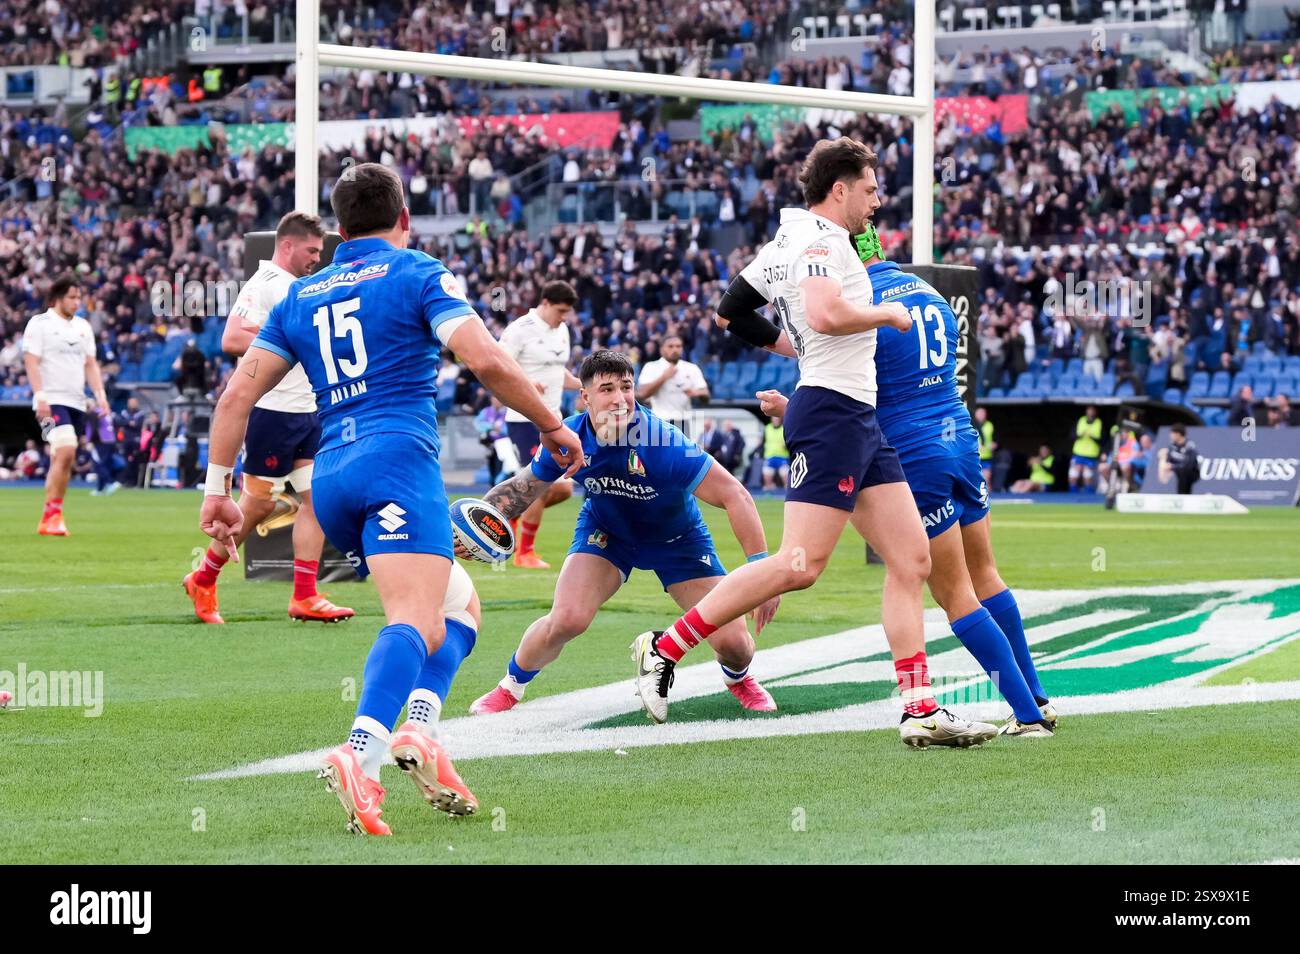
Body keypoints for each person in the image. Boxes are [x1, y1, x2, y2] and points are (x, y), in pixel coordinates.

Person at [197, 162, 584, 836]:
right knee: (419, 617)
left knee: (459, 608)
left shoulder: (301, 294)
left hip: (335, 476)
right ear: (402, 218)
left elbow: (235, 395)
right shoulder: (417, 272)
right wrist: (552, 427)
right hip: (397, 463)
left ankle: (420, 732)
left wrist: (217, 491)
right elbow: (486, 360)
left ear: (339, 229)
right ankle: (361, 755)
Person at [633, 137, 996, 746]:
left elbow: (730, 312)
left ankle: (919, 708)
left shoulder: (786, 240)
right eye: (871, 190)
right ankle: (665, 648)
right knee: (799, 566)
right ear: (841, 188)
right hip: (832, 412)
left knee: (911, 558)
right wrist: (886, 316)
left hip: (854, 411)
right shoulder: (824, 241)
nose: (876, 203)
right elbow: (826, 314)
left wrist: (794, 344)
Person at [749, 231, 1056, 737]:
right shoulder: (928, 293)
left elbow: (855, 392)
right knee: (987, 574)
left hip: (915, 451)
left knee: (956, 593)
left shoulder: (861, 305)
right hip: (959, 437)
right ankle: (1038, 696)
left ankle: (1028, 716)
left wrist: (795, 408)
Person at [467, 350, 779, 716]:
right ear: (585, 397)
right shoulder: (568, 436)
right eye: (607, 389)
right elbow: (523, 489)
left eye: (627, 387)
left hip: (678, 541)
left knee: (735, 643)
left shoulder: (661, 442)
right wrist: (476, 521)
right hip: (606, 534)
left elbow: (735, 494)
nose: (619, 398)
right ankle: (509, 687)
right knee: (567, 619)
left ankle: (738, 678)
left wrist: (761, 571)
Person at [183, 211, 354, 625]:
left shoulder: (296, 286)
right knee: (256, 506)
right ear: (288, 245)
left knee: (318, 501)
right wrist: (285, 338)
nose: (317, 257)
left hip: (306, 410)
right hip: (272, 411)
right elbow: (232, 337)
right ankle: (203, 577)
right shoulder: (266, 284)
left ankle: (305, 595)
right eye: (312, 250)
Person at [497, 281, 582, 569]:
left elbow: (558, 372)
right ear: (545, 303)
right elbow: (498, 365)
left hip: (554, 420)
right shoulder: (520, 329)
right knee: (541, 484)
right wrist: (524, 383)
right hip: (525, 419)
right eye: (560, 311)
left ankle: (506, 515)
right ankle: (524, 553)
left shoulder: (562, 331)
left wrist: (585, 388)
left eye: (567, 312)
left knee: (564, 489)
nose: (564, 317)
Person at [21, 274, 110, 536]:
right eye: (72, 297)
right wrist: (40, 397)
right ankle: (53, 515)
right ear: (57, 298)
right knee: (67, 450)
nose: (77, 302)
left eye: (79, 297)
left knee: (63, 456)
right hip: (50, 401)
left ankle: (50, 517)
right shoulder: (40, 324)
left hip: (76, 402)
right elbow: (31, 361)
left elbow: (90, 364)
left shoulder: (82, 327)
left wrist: (100, 393)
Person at [636, 332, 709, 436]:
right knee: (659, 452)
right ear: (662, 349)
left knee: (682, 452)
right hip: (660, 420)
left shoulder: (691, 368)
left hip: (683, 421)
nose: (675, 349)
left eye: (678, 346)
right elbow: (642, 394)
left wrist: (696, 393)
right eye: (670, 346)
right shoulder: (651, 367)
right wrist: (664, 377)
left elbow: (705, 395)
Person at [85, 399, 121, 496]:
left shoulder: (94, 414)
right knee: (105, 463)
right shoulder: (105, 413)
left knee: (98, 464)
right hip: (110, 440)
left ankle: (111, 482)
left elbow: (94, 428)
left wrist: (90, 441)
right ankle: (100, 488)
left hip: (100, 441)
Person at [1159, 423, 1200, 495]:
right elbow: (1168, 460)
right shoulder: (1172, 447)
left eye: (1172, 434)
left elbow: (1188, 465)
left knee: (1184, 474)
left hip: (1191, 474)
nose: (1170, 436)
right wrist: (1163, 458)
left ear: (1178, 434)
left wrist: (1173, 466)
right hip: (1178, 474)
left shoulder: (1190, 446)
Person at [1069, 404, 1102, 491]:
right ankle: (1071, 497)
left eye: (1092, 410)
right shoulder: (1080, 420)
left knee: (1087, 476)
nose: (1091, 412)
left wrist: (1092, 437)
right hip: (1078, 453)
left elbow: (1103, 440)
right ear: (1086, 411)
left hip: (1091, 454)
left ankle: (1089, 497)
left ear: (1095, 412)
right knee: (1073, 475)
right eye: (1089, 410)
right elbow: (1071, 435)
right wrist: (1080, 435)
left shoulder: (1099, 423)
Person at [762, 413, 789, 489]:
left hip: (782, 457)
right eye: (774, 418)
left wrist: (786, 446)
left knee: (785, 476)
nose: (776, 420)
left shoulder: (784, 428)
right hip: (770, 457)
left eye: (777, 418)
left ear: (780, 419)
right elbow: (763, 442)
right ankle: (769, 494)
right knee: (767, 475)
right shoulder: (767, 428)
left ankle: (786, 494)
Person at [974, 405, 995, 487]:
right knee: (975, 481)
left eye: (983, 414)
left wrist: (994, 445)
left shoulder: (990, 425)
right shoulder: (970, 425)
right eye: (979, 413)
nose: (981, 415)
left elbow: (996, 440)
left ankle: (989, 498)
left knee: (986, 480)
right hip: (974, 458)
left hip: (986, 457)